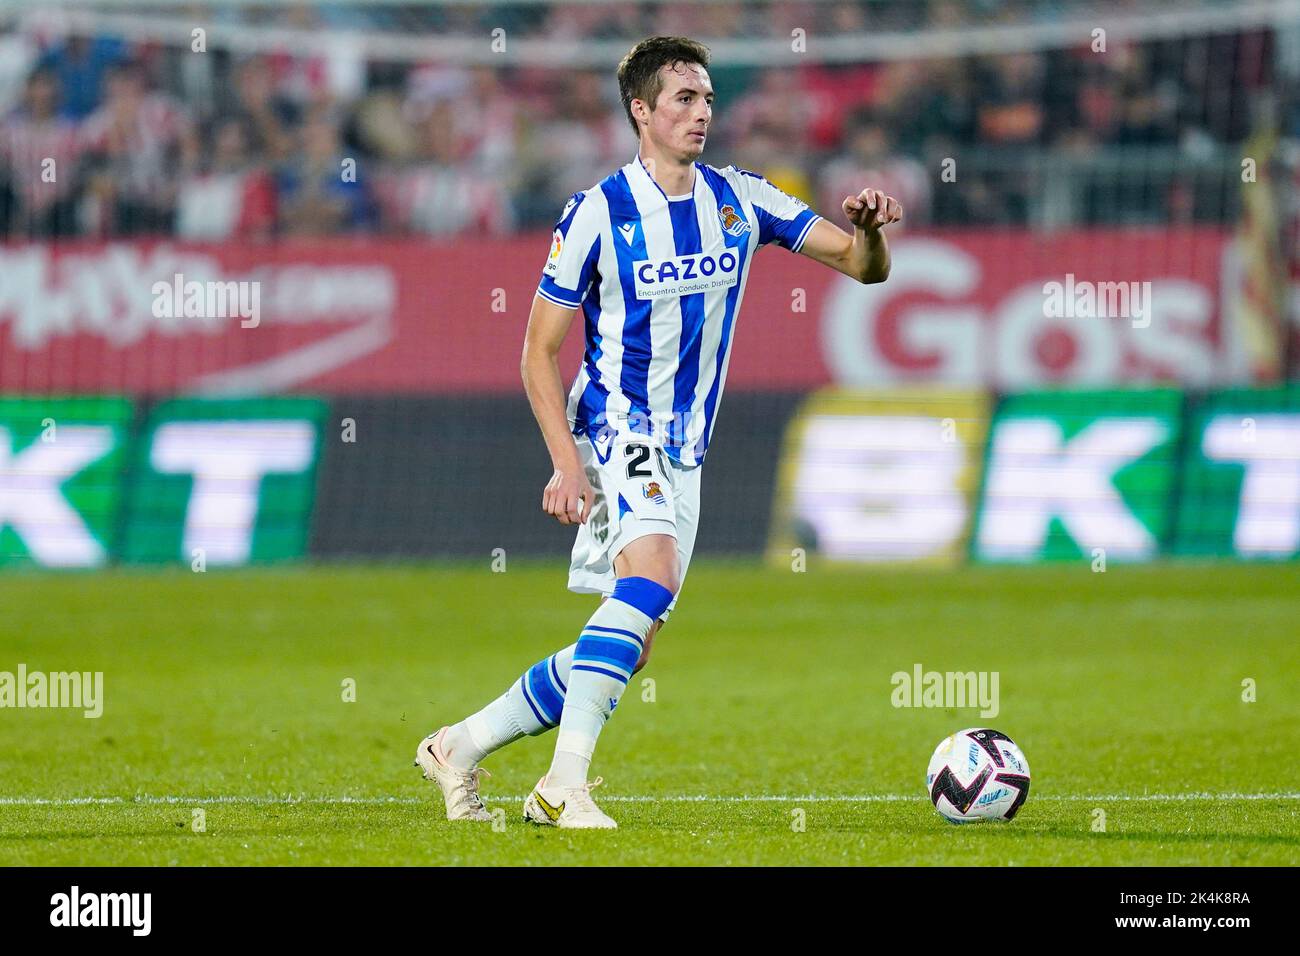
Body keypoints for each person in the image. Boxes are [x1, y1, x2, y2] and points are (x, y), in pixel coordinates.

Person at [416, 35, 901, 829]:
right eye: (684, 99)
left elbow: (862, 266)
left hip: (688, 449)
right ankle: (560, 785)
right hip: (617, 426)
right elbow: (537, 351)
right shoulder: (598, 212)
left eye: (708, 99)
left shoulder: (742, 197)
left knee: (629, 641)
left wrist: (870, 227)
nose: (702, 113)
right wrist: (565, 463)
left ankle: (458, 746)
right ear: (641, 111)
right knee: (650, 580)